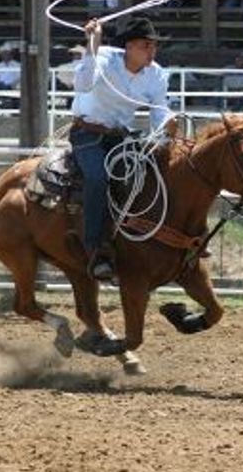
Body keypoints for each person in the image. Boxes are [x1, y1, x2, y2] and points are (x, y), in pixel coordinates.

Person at [71, 16, 174, 280]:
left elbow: (159, 111)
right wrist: (92, 44)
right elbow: (83, 84)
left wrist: (166, 126)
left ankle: (137, 242)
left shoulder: (156, 74)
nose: (151, 51)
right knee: (97, 178)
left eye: (153, 46)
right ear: (127, 46)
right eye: (144, 45)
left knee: (147, 178)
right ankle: (94, 248)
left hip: (120, 137)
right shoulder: (104, 57)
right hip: (87, 133)